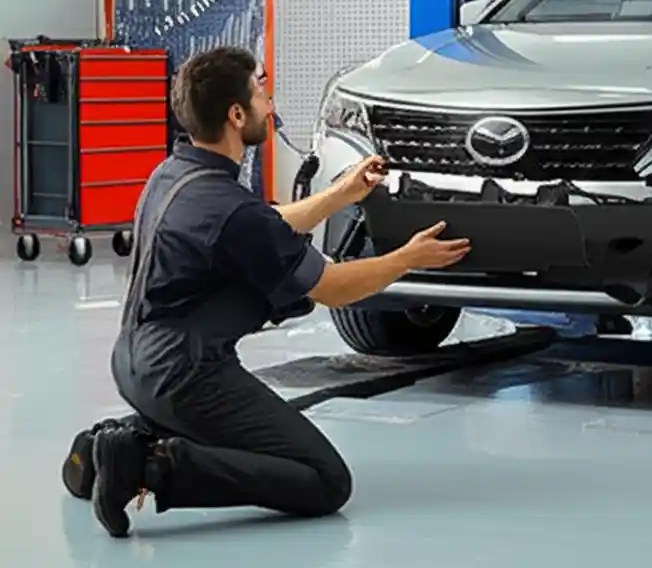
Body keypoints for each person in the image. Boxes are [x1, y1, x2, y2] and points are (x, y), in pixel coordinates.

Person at [59, 46, 472, 538]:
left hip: (133, 363)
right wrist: (408, 258)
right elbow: (334, 288)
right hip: (186, 376)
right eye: (260, 90)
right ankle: (150, 468)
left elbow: (266, 225)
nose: (268, 101)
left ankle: (107, 444)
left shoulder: (174, 176)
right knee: (325, 481)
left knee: (251, 437)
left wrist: (341, 194)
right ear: (236, 115)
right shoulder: (232, 208)